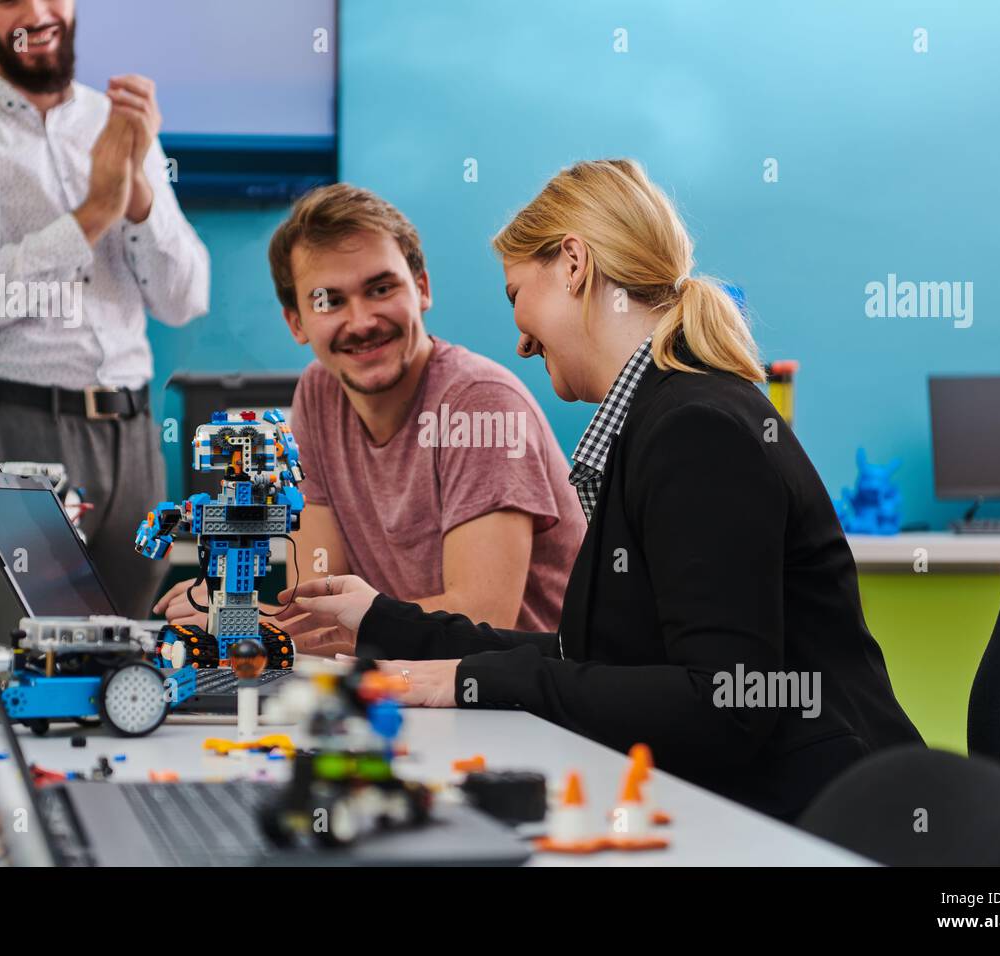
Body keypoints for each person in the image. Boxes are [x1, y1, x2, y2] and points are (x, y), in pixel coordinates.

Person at [268, 159, 923, 821]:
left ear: (574, 265)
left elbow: (724, 703)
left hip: (829, 820)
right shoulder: (663, 417)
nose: (521, 339)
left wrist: (468, 679)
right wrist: (381, 620)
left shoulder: (694, 429)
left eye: (516, 294)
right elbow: (597, 661)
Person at [0, 0, 210, 618]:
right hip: (13, 428)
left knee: (127, 667)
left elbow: (185, 298)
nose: (36, 12)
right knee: (21, 664)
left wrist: (137, 199)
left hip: (134, 442)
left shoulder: (116, 120)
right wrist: (91, 217)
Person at [155, 184, 585, 640]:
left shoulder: (478, 403)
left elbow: (479, 621)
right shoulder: (319, 394)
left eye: (380, 289)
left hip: (524, 700)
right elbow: (319, 601)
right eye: (329, 301)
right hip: (411, 680)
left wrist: (242, 623)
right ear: (296, 322)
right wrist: (244, 621)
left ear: (421, 288)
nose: (360, 322)